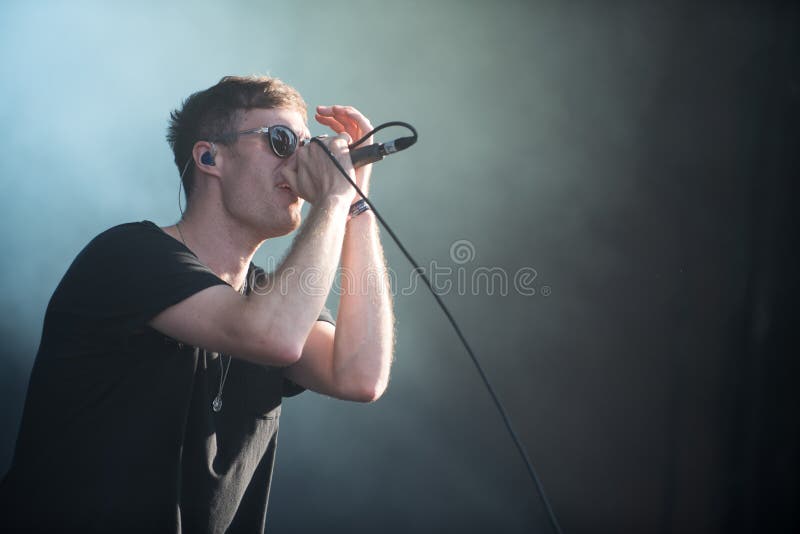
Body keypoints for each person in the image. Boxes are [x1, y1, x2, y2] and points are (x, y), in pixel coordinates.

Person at [0, 75, 395, 532]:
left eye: (308, 146)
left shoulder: (272, 299)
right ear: (209, 157)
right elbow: (272, 336)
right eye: (282, 141)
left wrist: (355, 202)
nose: (300, 163)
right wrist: (334, 197)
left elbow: (361, 375)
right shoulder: (128, 256)